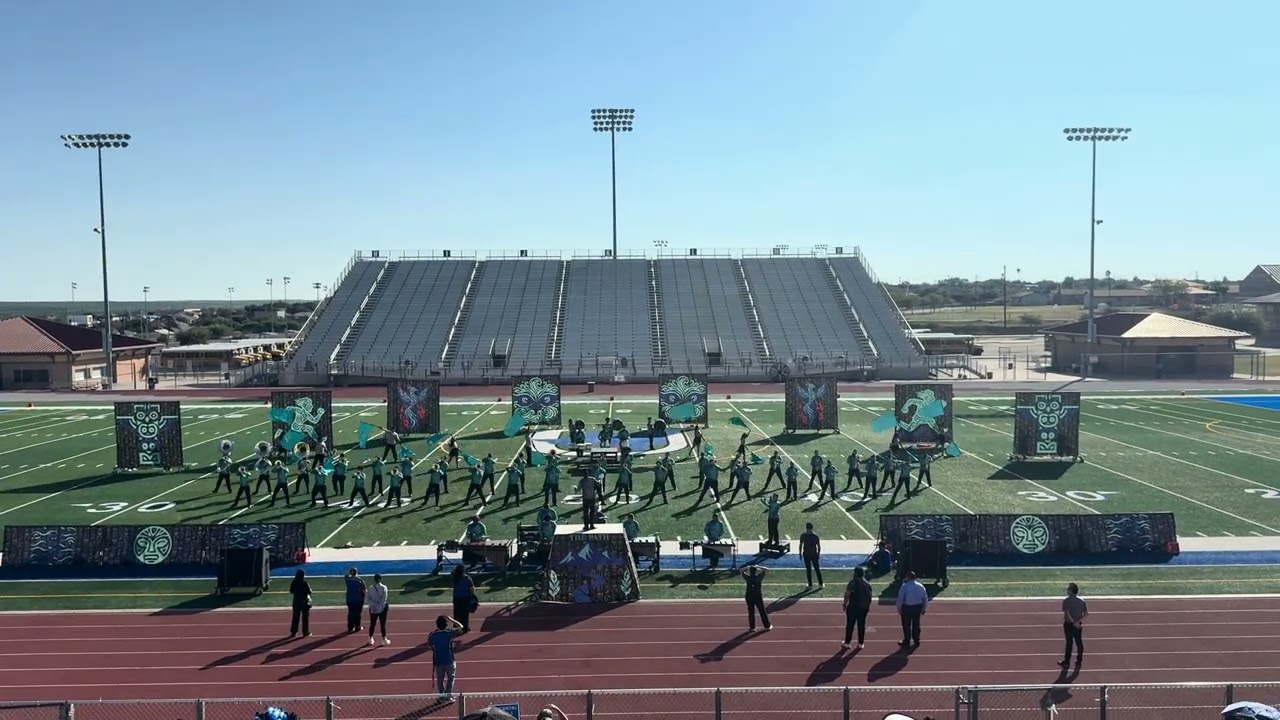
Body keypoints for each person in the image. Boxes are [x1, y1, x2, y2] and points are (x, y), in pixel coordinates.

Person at [429, 615, 465, 700]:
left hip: (438, 661)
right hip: (449, 660)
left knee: (440, 680)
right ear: (446, 624)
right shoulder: (449, 633)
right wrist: (451, 619)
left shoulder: (432, 635)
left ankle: (442, 696)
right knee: (450, 678)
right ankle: (448, 695)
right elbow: (461, 627)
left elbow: (430, 644)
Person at [842, 566, 873, 649]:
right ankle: (861, 643)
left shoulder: (852, 583)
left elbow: (847, 594)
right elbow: (870, 597)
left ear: (855, 574)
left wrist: (845, 604)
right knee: (861, 625)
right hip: (863, 608)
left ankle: (847, 642)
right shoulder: (867, 584)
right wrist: (867, 606)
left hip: (853, 607)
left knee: (850, 625)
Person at [896, 571, 929, 647]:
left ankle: (907, 641)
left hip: (907, 607)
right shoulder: (920, 586)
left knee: (906, 625)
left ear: (908, 577)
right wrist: (924, 608)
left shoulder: (904, 586)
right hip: (917, 607)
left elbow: (900, 599)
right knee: (916, 624)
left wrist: (899, 609)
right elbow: (925, 598)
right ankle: (916, 640)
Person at [1060, 582, 1089, 668]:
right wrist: (1078, 622)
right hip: (1078, 625)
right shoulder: (1081, 601)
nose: (1067, 590)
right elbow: (1086, 614)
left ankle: (1067, 662)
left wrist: (1073, 622)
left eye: (1068, 589)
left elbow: (1067, 613)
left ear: (1071, 591)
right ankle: (1079, 661)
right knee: (1079, 642)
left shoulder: (1066, 601)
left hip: (1069, 624)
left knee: (1069, 643)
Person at [742, 564, 772, 632]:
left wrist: (747, 567)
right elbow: (767, 569)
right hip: (757, 596)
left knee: (751, 612)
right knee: (762, 611)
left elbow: (740, 571)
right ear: (756, 571)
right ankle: (767, 626)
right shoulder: (759, 577)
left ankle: (752, 627)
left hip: (749, 596)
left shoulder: (747, 577)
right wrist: (758, 566)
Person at [367, 572, 390, 646]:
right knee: (382, 624)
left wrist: (374, 606)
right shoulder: (384, 587)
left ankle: (370, 638)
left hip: (373, 609)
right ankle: (384, 639)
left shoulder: (370, 588)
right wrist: (379, 606)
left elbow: (368, 599)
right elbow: (384, 599)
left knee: (372, 624)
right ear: (380, 579)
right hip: (382, 609)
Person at [452, 565, 477, 633]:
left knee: (456, 613)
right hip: (465, 598)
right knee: (465, 614)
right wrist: (473, 596)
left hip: (456, 598)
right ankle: (465, 627)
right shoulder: (467, 578)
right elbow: (472, 588)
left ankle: (456, 627)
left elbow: (452, 572)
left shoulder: (455, 578)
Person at [288, 569, 312, 638]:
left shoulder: (294, 582)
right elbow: (309, 591)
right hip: (304, 602)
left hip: (296, 602)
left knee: (295, 617)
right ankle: (305, 632)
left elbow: (291, 591)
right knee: (305, 618)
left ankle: (294, 632)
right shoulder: (305, 583)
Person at [800, 522, 824, 588]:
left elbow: (801, 545)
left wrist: (800, 553)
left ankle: (811, 585)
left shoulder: (803, 536)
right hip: (813, 554)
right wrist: (818, 554)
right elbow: (818, 547)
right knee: (816, 569)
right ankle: (820, 583)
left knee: (810, 569)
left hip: (807, 554)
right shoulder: (815, 536)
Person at [344, 567, 366, 633]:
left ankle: (350, 627)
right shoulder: (360, 580)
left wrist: (349, 572)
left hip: (350, 599)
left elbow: (345, 575)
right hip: (358, 599)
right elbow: (364, 590)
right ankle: (357, 626)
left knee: (351, 613)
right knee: (358, 613)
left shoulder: (348, 580)